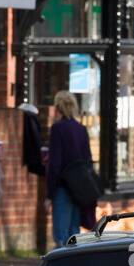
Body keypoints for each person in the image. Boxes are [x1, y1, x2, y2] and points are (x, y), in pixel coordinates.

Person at [45, 91, 97, 245]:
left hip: (63, 187)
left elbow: (55, 164)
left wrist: (49, 195)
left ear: (58, 108)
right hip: (79, 188)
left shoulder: (57, 129)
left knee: (61, 236)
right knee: (75, 234)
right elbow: (87, 160)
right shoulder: (81, 129)